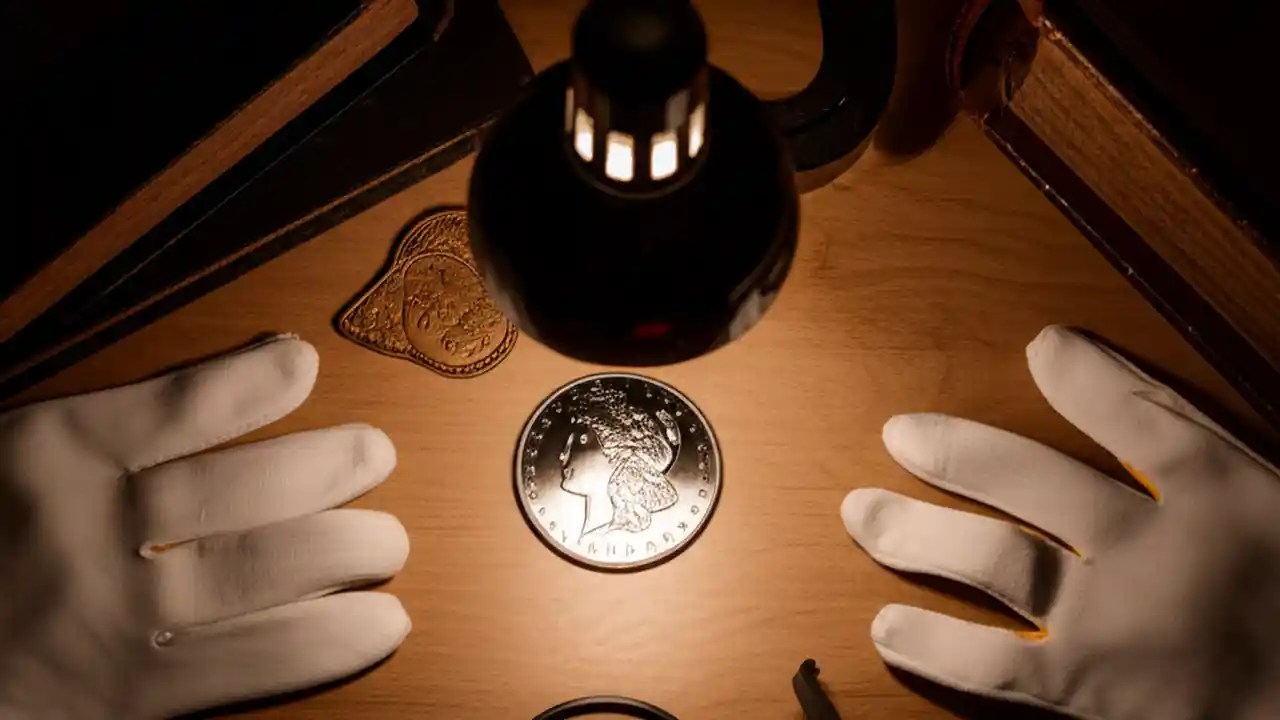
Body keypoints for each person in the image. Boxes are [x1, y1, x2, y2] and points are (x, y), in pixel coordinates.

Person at [558, 383, 681, 538]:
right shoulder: (593, 538)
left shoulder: (612, 538)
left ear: (618, 449)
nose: (562, 455)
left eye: (580, 440)